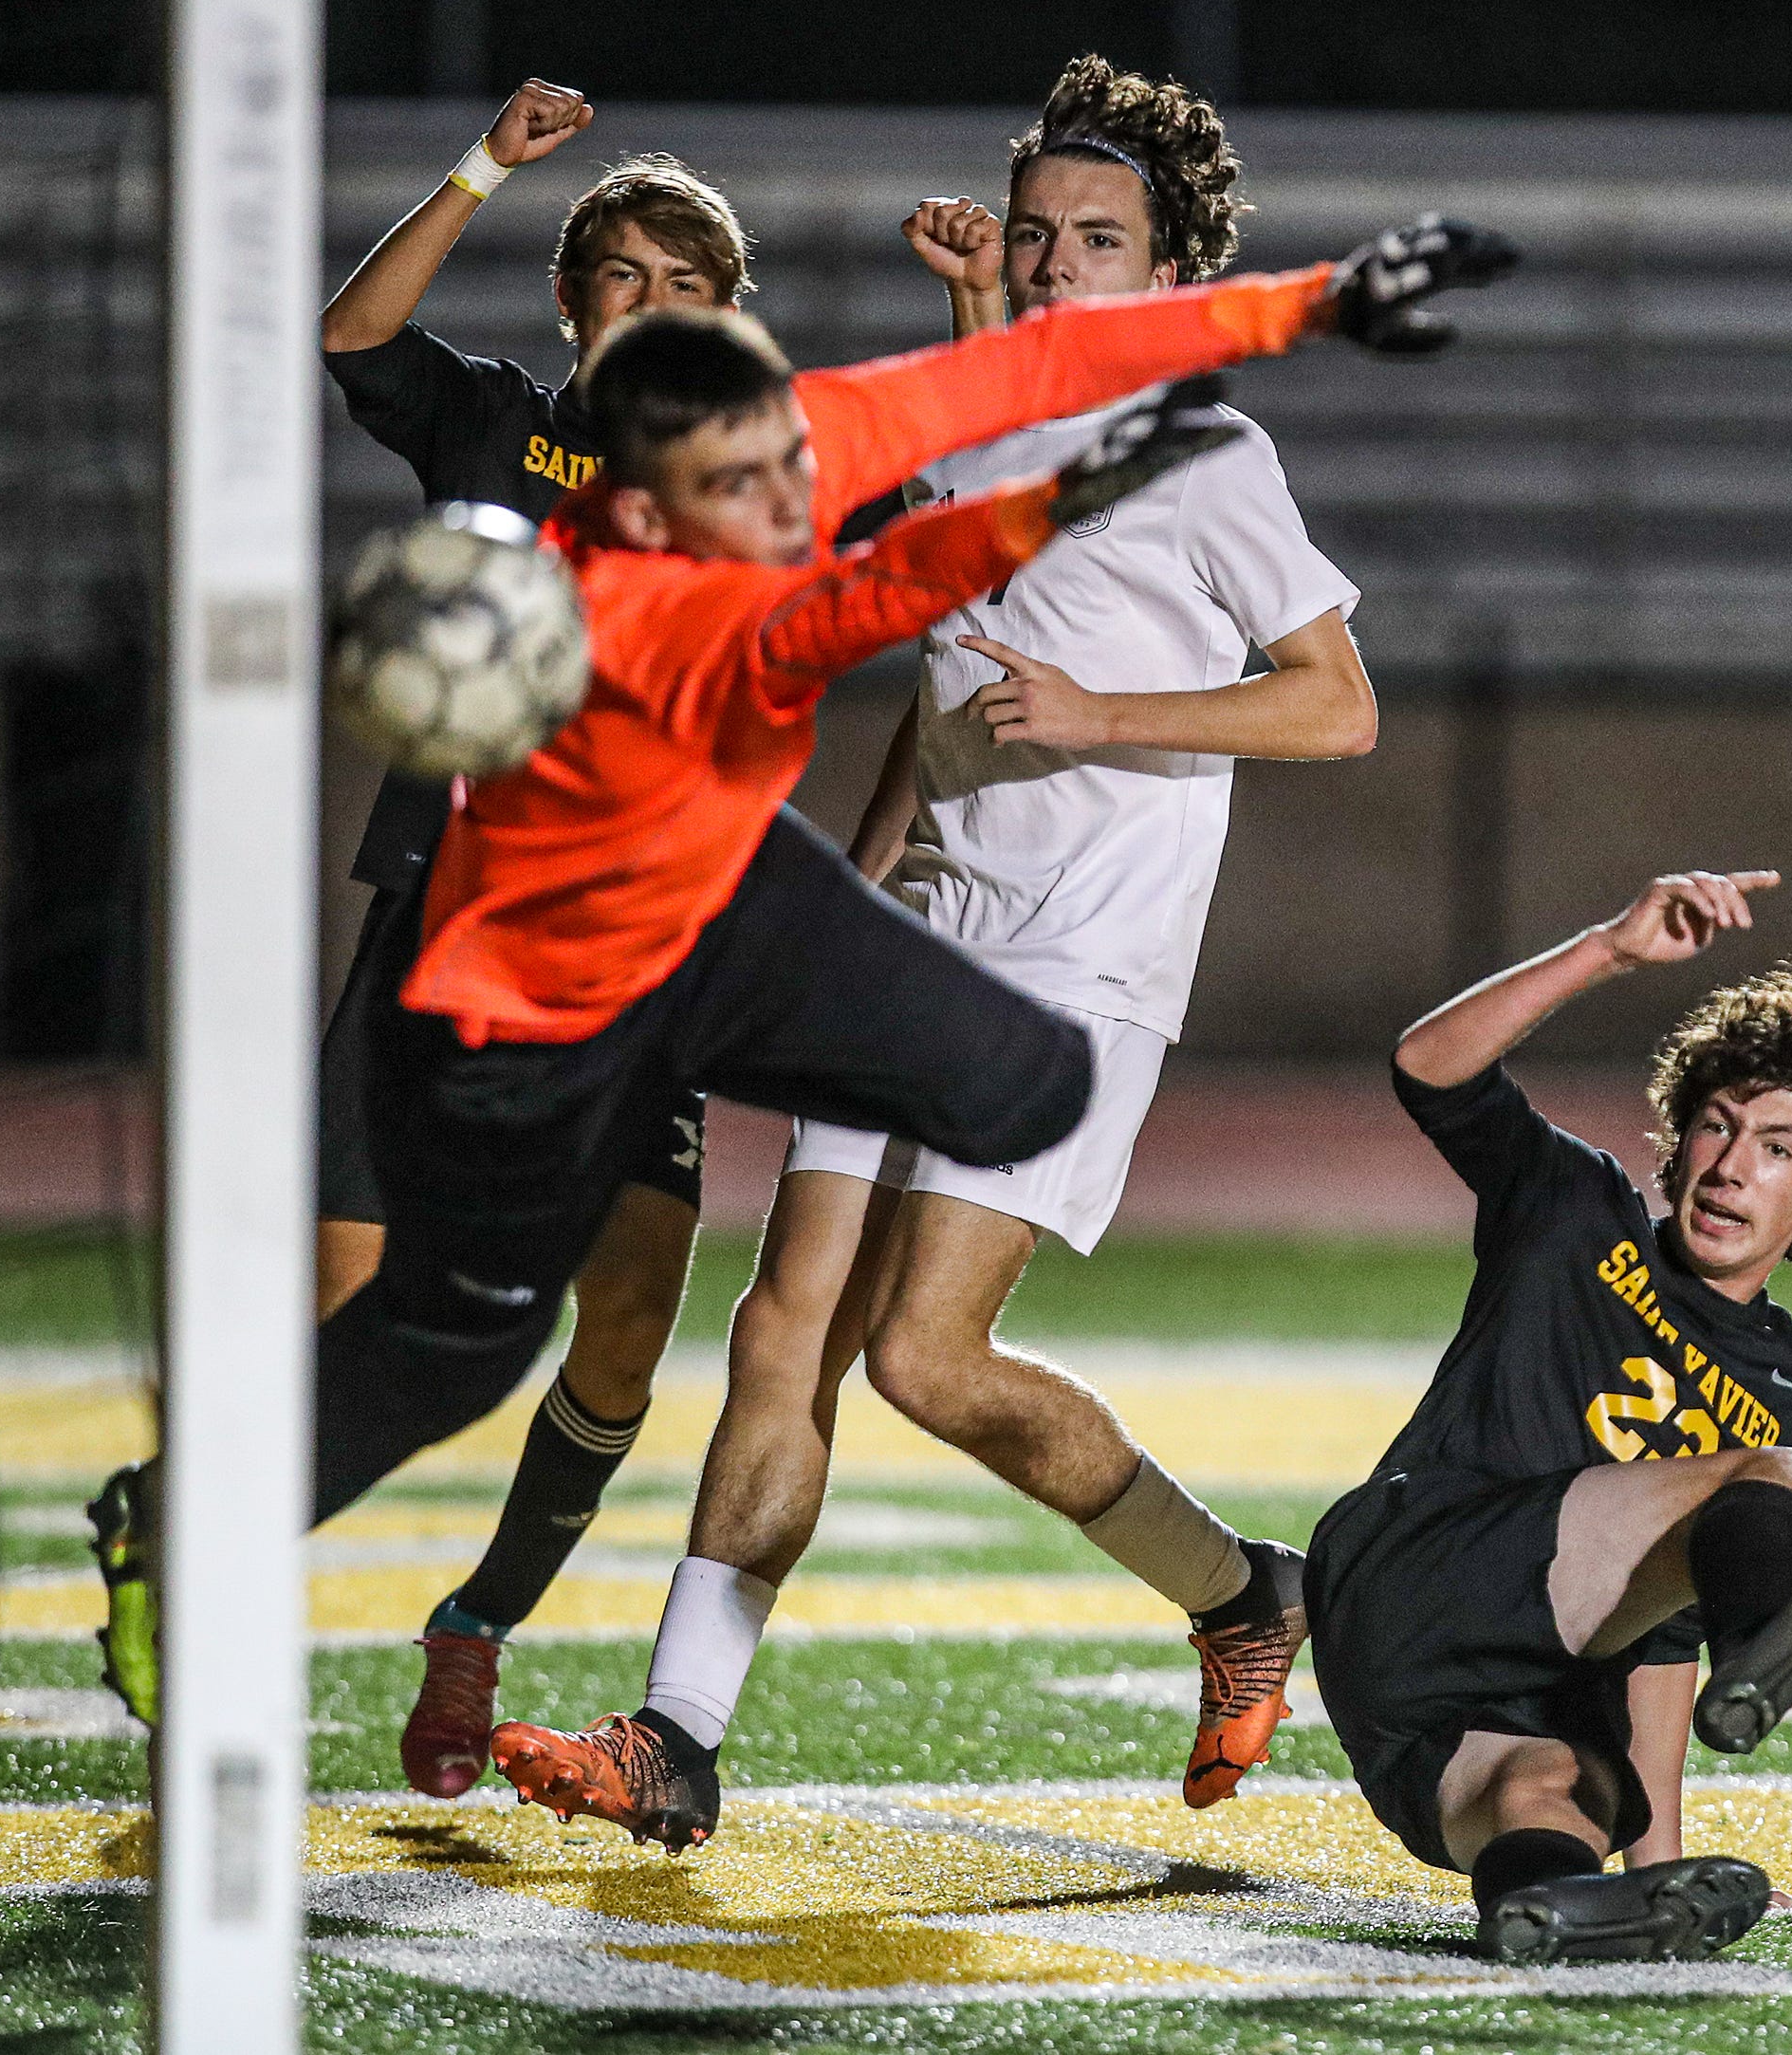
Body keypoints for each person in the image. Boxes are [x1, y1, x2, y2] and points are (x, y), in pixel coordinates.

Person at [379, 214, 1503, 1855]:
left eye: (1094, 241)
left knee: (924, 1357)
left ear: (1169, 266)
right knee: (784, 1327)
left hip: (1082, 961)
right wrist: (857, 888)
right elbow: (943, 688)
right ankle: (677, 1735)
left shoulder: (1212, 452)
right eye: (1034, 233)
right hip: (928, 934)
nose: (1055, 261)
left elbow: (1339, 702)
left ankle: (1247, 1588)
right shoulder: (974, 438)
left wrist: (1101, 712)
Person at [83, 83, 751, 1781]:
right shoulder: (496, 426)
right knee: (350, 1304)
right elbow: (352, 331)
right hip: (445, 926)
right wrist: (484, 169)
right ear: (573, 297)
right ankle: (194, 1559)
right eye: (621, 273)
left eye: (686, 281)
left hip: (629, 962)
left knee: (624, 1316)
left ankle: (477, 1622)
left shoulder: (752, 493)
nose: (649, 301)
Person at [1306, 868, 1792, 1964]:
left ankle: (1551, 1914)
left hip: (1425, 1687)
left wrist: (1662, 1869)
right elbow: (1428, 1067)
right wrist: (1609, 948)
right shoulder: (1572, 1208)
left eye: (1778, 1148)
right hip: (1422, 1563)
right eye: (1716, 1128)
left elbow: (1660, 1636)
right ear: (1677, 1139)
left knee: (1557, 1793)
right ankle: (1769, 1644)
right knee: (1784, 1479)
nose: (1732, 1167)